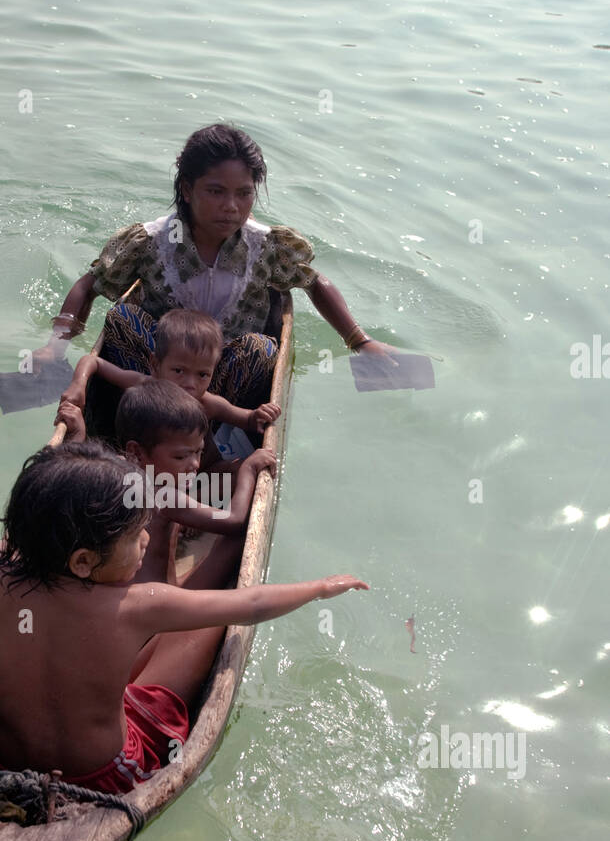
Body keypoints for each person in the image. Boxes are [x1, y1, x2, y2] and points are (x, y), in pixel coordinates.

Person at [0, 446, 367, 793]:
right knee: (209, 618)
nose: (145, 540)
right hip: (107, 777)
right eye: (138, 535)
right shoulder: (139, 604)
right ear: (82, 561)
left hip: (1, 761)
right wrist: (319, 588)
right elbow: (250, 605)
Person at [28, 124, 396, 409]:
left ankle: (208, 424)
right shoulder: (150, 241)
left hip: (225, 379)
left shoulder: (267, 247)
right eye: (216, 192)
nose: (231, 207)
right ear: (187, 190)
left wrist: (360, 342)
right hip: (156, 375)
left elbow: (314, 283)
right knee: (123, 319)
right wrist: (55, 346)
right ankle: (149, 412)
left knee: (262, 349)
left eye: (244, 193)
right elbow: (89, 285)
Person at [113, 381, 276, 584]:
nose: (195, 464)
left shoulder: (117, 470)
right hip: (164, 605)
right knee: (240, 536)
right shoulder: (162, 495)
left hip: (159, 589)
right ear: (136, 452)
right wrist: (249, 470)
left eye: (199, 452)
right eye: (181, 457)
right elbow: (233, 520)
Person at [61, 308, 281, 453]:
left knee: (235, 471)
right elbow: (93, 362)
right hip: (139, 465)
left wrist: (258, 415)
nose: (190, 384)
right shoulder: (145, 384)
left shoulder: (207, 403)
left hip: (189, 475)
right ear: (155, 365)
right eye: (178, 370)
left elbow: (247, 419)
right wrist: (78, 385)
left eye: (203, 374)